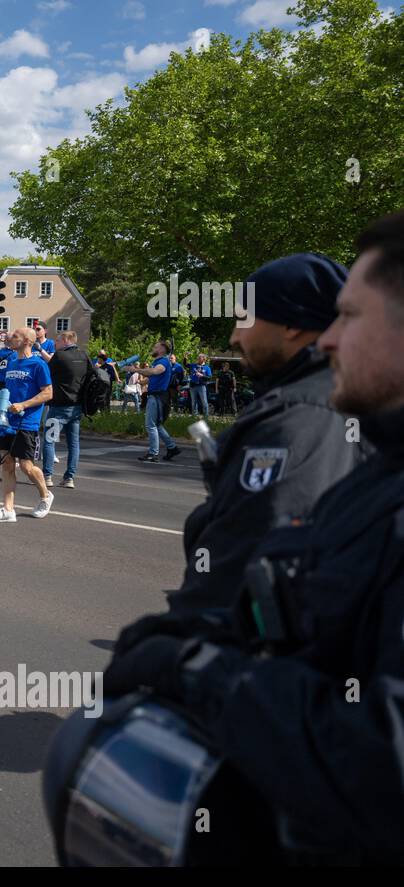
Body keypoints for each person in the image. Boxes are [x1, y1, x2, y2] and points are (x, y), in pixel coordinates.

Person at [100, 211, 404, 864]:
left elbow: (385, 755)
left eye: (351, 318)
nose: (329, 341)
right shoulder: (376, 461)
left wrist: (200, 670)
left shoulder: (305, 419)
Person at [166, 253, 364, 615]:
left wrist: (166, 649)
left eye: (244, 319)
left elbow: (244, 565)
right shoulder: (337, 395)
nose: (235, 336)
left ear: (291, 324)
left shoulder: (300, 418)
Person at [0, 326, 53, 523]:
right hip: (7, 422)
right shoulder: (12, 362)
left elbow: (48, 393)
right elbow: (6, 393)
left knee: (26, 466)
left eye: (15, 335)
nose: (10, 337)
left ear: (26, 342)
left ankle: (45, 496)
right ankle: (8, 510)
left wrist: (24, 404)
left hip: (27, 422)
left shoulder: (38, 365)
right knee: (6, 464)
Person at [40, 330, 90, 489]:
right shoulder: (84, 355)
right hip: (76, 407)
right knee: (73, 444)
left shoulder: (60, 356)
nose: (55, 344)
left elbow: (47, 371)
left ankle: (47, 476)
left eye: (58, 341)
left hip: (58, 407)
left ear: (67, 340)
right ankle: (69, 478)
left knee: (49, 441)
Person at [127, 342, 180, 463]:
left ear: (162, 349)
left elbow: (155, 372)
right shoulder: (158, 362)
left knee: (150, 425)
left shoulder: (163, 362)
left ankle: (153, 453)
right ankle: (172, 447)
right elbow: (151, 377)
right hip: (156, 396)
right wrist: (141, 382)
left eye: (155, 347)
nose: (153, 348)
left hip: (157, 397)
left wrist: (136, 369)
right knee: (156, 425)